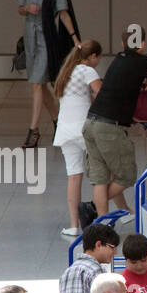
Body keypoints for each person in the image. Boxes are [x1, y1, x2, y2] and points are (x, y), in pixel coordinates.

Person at [83, 31, 147, 216]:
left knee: (100, 179)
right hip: (109, 127)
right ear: (143, 44)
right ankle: (91, 206)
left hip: (91, 122)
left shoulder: (118, 59)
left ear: (123, 42)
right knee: (126, 176)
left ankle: (102, 225)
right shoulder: (142, 62)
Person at [17, 0, 80, 148]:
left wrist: (75, 38)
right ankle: (58, 122)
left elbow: (63, 13)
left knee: (36, 83)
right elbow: (20, 8)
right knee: (41, 85)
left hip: (46, 39)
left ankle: (33, 130)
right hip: (30, 37)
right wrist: (27, 8)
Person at [52, 41, 103, 235]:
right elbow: (102, 93)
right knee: (101, 174)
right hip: (85, 129)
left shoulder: (67, 71)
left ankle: (74, 225)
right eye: (98, 58)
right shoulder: (87, 71)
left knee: (74, 177)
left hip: (65, 131)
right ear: (93, 57)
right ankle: (105, 217)